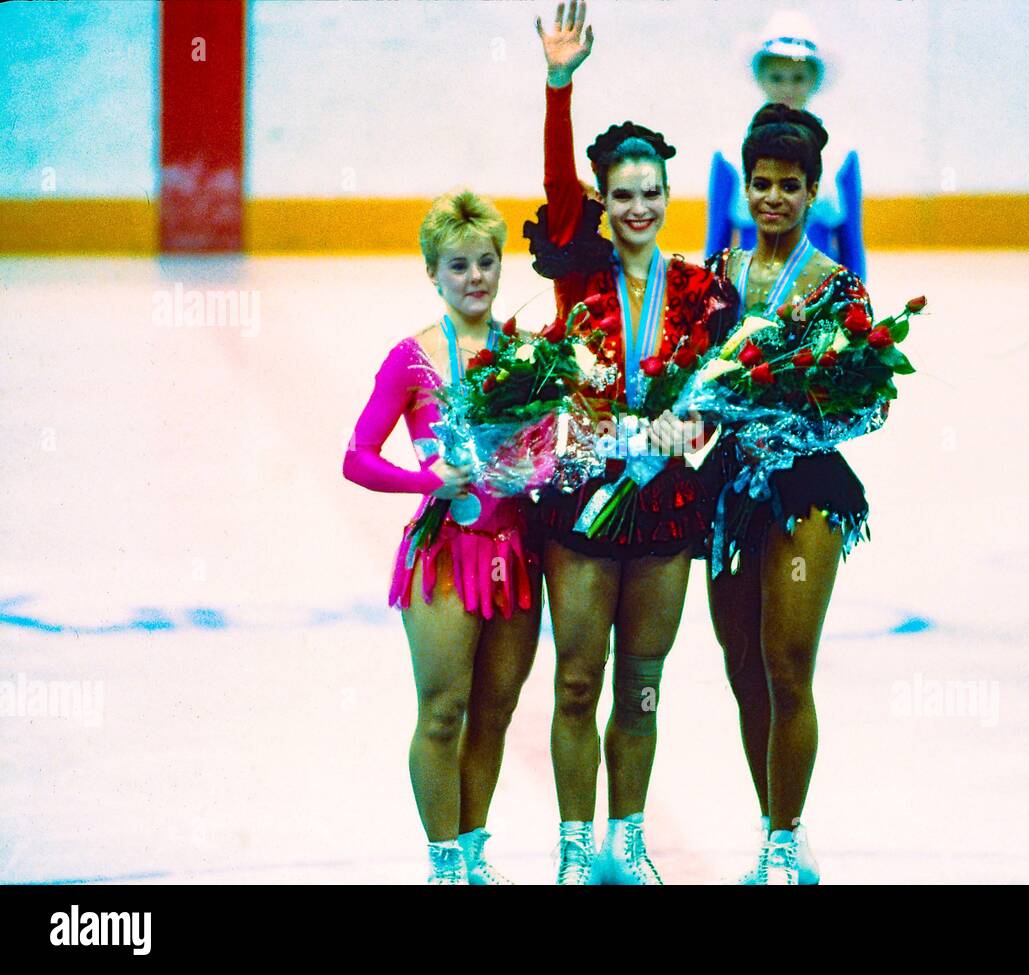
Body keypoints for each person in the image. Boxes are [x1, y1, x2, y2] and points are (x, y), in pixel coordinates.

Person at [523, 0, 732, 884]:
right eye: (623, 194)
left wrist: (695, 423)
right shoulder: (577, 263)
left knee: (642, 683)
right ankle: (575, 850)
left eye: (652, 194)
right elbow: (555, 181)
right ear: (601, 202)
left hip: (665, 504)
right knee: (578, 680)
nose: (638, 206)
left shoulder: (699, 287)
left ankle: (627, 841)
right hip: (582, 494)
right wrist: (560, 84)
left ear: (667, 198)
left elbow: (723, 394)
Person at [703, 102, 884, 884]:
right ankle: (777, 827)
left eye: (789, 185)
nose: (772, 197)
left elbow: (869, 402)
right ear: (744, 188)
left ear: (813, 193)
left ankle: (783, 844)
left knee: (786, 663)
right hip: (725, 487)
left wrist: (795, 415)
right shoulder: (715, 280)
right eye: (760, 183)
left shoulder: (836, 287)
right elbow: (686, 380)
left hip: (807, 488)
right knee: (740, 662)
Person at [343, 190, 543, 884]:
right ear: (433, 270)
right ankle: (443, 864)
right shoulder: (411, 357)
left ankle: (474, 850)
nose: (476, 277)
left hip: (515, 552)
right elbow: (357, 457)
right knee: (443, 709)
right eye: (459, 266)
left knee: (495, 709)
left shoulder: (525, 354)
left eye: (487, 262)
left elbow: (546, 448)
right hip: (444, 554)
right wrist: (428, 482)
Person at [705, 9, 866, 280]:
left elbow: (851, 241)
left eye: (798, 78)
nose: (788, 88)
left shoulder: (841, 152)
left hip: (820, 296)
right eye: (777, 77)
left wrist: (857, 305)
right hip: (749, 292)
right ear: (760, 77)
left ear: (814, 80)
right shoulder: (729, 151)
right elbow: (717, 240)